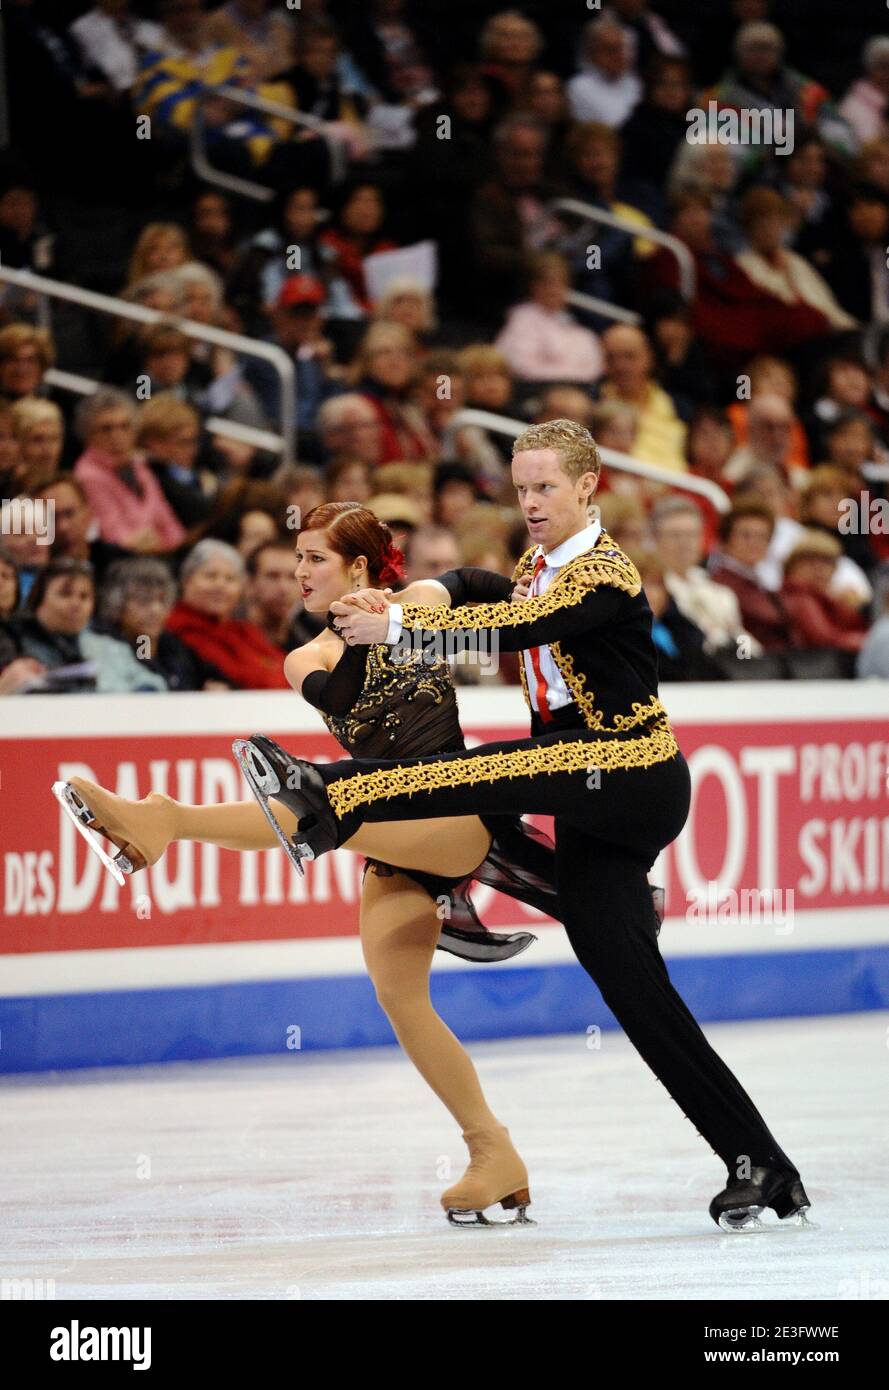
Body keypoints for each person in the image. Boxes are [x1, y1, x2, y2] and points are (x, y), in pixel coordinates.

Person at [241, 419, 810, 1231]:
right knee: (631, 986)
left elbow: (522, 626)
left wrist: (401, 627)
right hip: (582, 794)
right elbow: (487, 588)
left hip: (628, 770)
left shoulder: (604, 574)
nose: (531, 502)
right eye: (520, 489)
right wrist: (429, 591)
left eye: (546, 487)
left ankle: (326, 795)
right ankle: (761, 1165)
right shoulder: (536, 566)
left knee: (481, 773)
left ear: (587, 487)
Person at [51, 502, 644, 1225]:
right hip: (388, 833)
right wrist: (364, 630)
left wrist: (443, 605)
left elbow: (483, 585)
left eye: (315, 559)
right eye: (296, 558)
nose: (300, 572)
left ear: (359, 567)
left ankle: (163, 820)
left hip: (451, 816)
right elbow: (336, 694)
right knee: (401, 995)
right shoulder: (309, 655)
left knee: (327, 805)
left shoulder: (418, 613)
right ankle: (495, 1155)